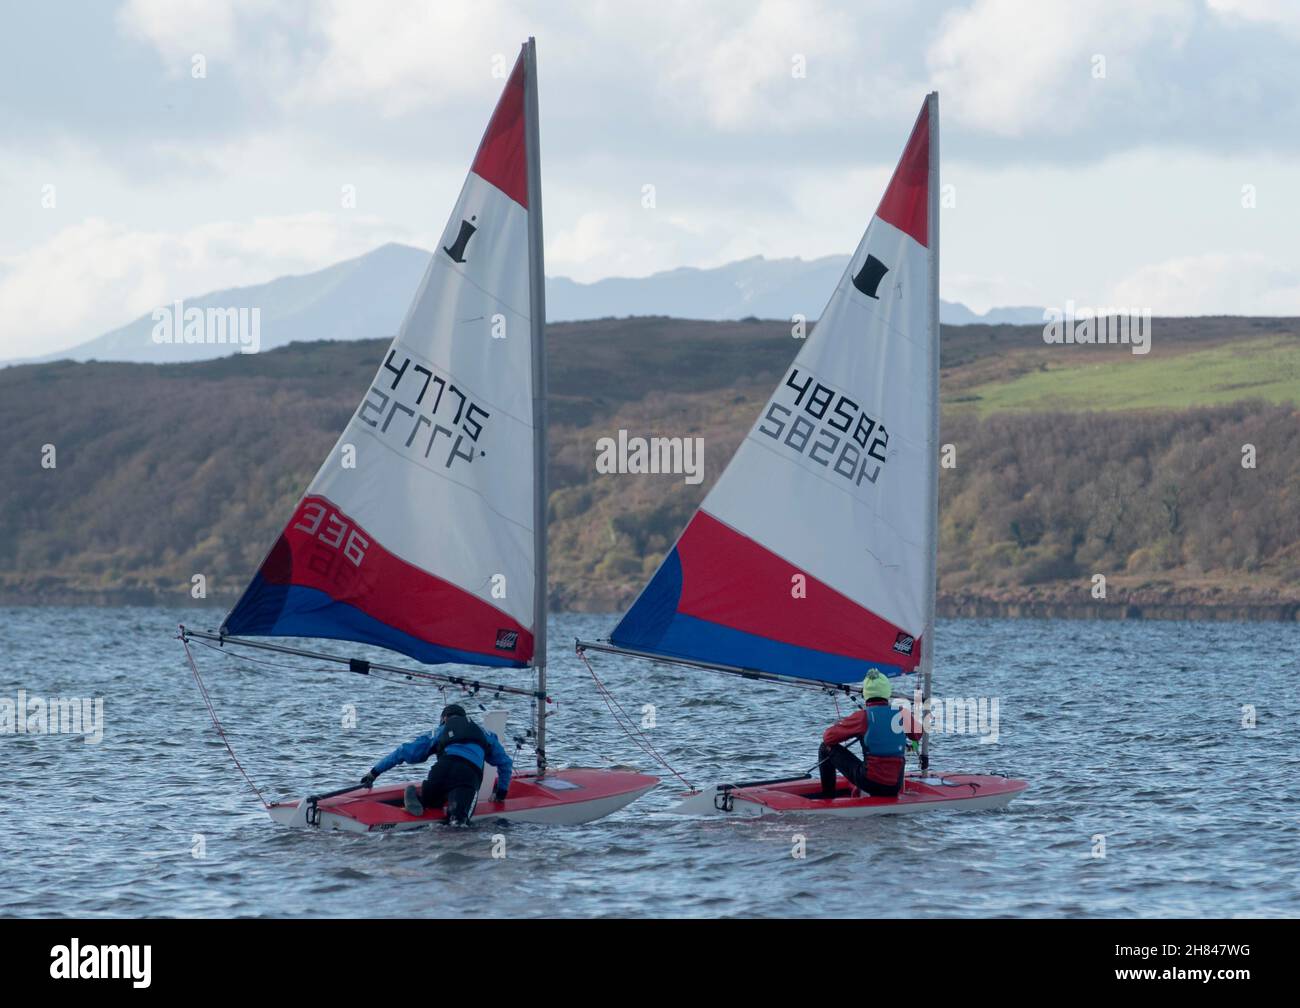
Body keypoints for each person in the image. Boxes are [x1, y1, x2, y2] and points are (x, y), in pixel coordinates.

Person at [361, 703, 513, 825]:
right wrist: (501, 792)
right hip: (468, 775)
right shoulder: (486, 735)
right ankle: (454, 816)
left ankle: (422, 799)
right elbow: (505, 763)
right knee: (459, 822)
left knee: (432, 802)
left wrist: (374, 772)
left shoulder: (440, 731)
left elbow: (403, 752)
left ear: (444, 719)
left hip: (441, 771)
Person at [817, 669, 921, 799]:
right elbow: (918, 735)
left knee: (825, 747)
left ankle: (827, 799)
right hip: (895, 785)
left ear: (865, 694)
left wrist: (857, 731)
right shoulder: (902, 713)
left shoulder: (863, 717)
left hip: (871, 782)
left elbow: (828, 738)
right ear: (887, 693)